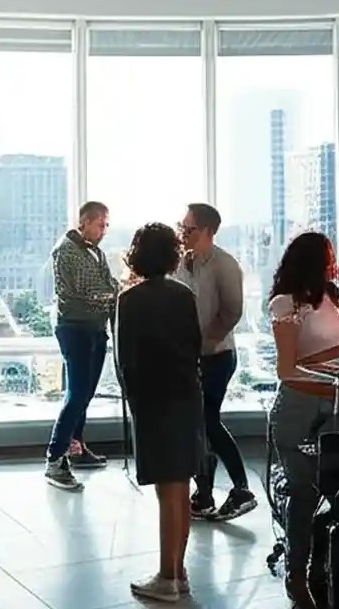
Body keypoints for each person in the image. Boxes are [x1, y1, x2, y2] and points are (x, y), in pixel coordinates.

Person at [267, 232, 339, 606]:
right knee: (301, 497)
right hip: (299, 412)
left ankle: (323, 571)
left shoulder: (331, 298)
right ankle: (296, 575)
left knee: (336, 492)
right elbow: (289, 369)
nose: (335, 262)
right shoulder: (285, 303)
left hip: (333, 408)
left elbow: (328, 359)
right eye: (329, 256)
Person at [116, 223, 205, 603]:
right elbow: (195, 344)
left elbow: (126, 361)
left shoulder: (129, 300)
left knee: (165, 490)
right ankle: (178, 570)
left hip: (153, 399)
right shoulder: (184, 295)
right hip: (186, 393)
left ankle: (167, 576)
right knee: (180, 486)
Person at [174, 203, 257, 522]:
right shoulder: (185, 263)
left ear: (208, 231)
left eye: (189, 228)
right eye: (182, 227)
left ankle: (241, 489)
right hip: (193, 356)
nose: (183, 233)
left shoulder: (224, 264)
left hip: (217, 356)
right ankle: (204, 494)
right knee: (198, 424)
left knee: (207, 421)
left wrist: (205, 343)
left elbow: (232, 311)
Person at [45, 200, 119, 491]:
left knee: (85, 393)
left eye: (106, 225)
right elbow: (94, 291)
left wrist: (114, 290)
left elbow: (108, 284)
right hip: (76, 329)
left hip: (94, 328)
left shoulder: (95, 252)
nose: (104, 231)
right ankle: (54, 458)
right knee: (76, 394)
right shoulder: (68, 251)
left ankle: (75, 446)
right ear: (85, 221)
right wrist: (118, 291)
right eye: (100, 224)